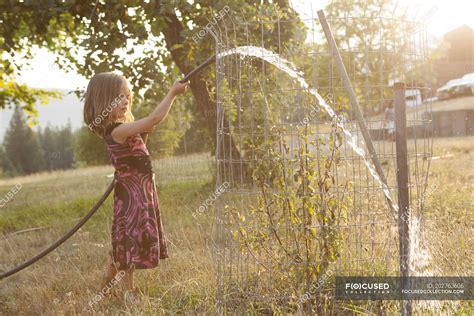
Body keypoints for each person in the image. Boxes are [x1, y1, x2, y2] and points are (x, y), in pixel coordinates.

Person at [83, 72, 189, 304]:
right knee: (129, 244)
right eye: (118, 97)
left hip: (140, 193)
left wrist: (143, 132)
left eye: (128, 96)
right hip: (132, 197)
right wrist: (172, 93)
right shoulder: (116, 131)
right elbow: (153, 120)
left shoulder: (125, 127)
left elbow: (144, 137)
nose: (125, 101)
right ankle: (130, 295)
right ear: (103, 101)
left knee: (122, 244)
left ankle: (104, 289)